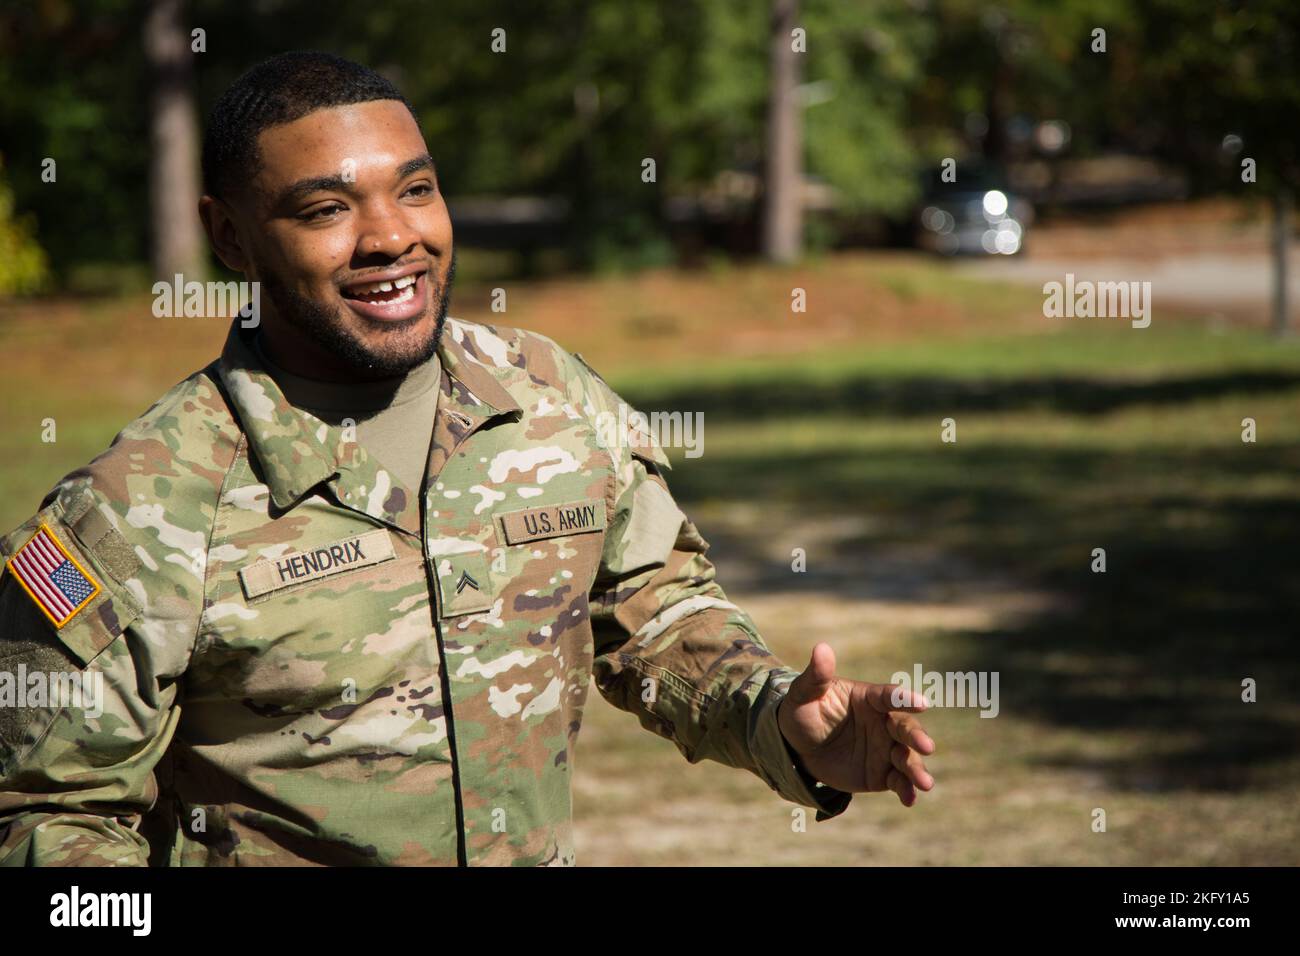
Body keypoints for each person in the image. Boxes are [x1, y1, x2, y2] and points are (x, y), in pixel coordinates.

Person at [0, 52, 933, 866]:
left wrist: (780, 724)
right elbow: (49, 813)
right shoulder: (133, 509)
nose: (392, 237)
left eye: (415, 189)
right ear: (231, 236)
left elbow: (656, 620)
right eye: (327, 208)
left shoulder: (548, 393)